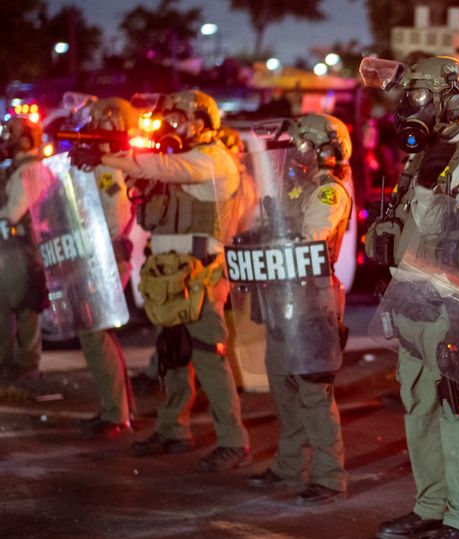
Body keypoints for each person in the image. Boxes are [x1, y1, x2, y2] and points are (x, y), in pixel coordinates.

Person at [362, 55, 459, 539]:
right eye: (407, 97)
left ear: (455, 101)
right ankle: (431, 504)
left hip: (447, 303)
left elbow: (447, 227)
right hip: (410, 297)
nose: (408, 108)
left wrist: (422, 185)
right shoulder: (426, 154)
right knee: (418, 405)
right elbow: (407, 223)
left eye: (420, 98)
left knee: (454, 409)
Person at [101, 90, 251, 471]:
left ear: (203, 122)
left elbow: (168, 170)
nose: (173, 127)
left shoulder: (213, 158)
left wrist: (107, 156)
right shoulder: (179, 156)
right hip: (168, 272)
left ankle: (234, 441)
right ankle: (172, 430)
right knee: (172, 353)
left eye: (181, 120)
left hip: (200, 272)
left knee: (207, 356)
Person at [245, 114, 353, 505]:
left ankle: (328, 475)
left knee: (313, 393)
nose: (295, 151)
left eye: (302, 144)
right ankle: (289, 465)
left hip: (312, 297)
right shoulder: (294, 187)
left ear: (324, 148)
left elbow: (311, 239)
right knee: (283, 386)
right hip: (281, 294)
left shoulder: (328, 191)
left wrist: (275, 240)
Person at [68, 97, 139, 439]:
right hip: (95, 249)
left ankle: (117, 413)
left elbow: (114, 215)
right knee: (97, 333)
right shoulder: (103, 161)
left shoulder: (115, 163)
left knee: (95, 332)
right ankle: (118, 408)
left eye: (99, 118)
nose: (92, 122)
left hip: (106, 251)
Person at [0, 117, 50, 382]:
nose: (7, 139)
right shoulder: (15, 168)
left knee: (25, 306)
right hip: (10, 247)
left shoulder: (32, 170)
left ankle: (27, 365)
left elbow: (14, 211)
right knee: (5, 305)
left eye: (12, 134)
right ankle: (6, 363)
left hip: (25, 248)